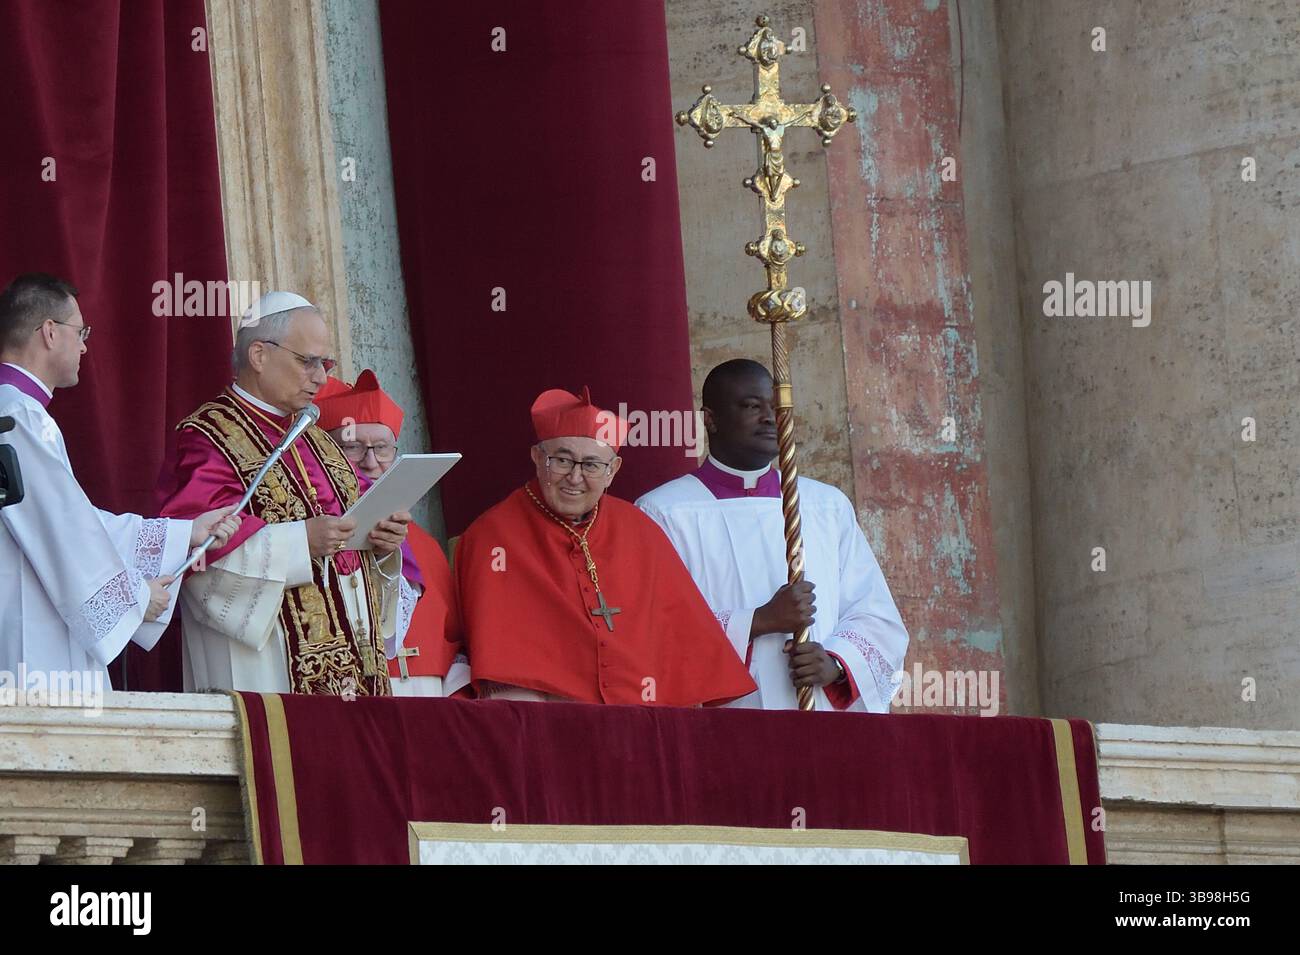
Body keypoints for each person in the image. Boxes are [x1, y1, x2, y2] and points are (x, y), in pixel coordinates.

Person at [160, 291, 414, 695]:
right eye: (308, 361)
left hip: (355, 671)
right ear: (259, 355)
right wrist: (301, 543)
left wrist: (381, 547)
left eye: (325, 364)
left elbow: (349, 551)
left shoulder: (318, 440)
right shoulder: (209, 437)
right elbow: (195, 554)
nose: (321, 377)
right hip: (268, 671)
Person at [0, 273, 239, 686]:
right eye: (81, 332)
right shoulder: (18, 416)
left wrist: (185, 532)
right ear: (50, 333)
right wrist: (132, 596)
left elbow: (73, 519)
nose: (85, 346)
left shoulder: (17, 409)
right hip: (31, 637)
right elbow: (61, 529)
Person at [454, 385, 755, 706]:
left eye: (592, 465)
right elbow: (501, 675)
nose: (575, 477)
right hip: (549, 721)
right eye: (562, 460)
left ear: (613, 471)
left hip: (643, 719)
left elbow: (683, 642)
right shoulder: (491, 536)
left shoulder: (641, 530)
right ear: (536, 457)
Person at [636, 359, 909, 711]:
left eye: (775, 407)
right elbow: (652, 629)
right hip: (726, 724)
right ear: (710, 419)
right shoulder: (663, 513)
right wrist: (758, 621)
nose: (770, 418)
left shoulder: (826, 506)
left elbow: (876, 615)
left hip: (822, 720)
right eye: (751, 406)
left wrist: (836, 664)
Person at [314, 369, 469, 698]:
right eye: (353, 447)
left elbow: (454, 641)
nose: (371, 462)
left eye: (382, 448)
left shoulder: (426, 546)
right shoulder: (315, 536)